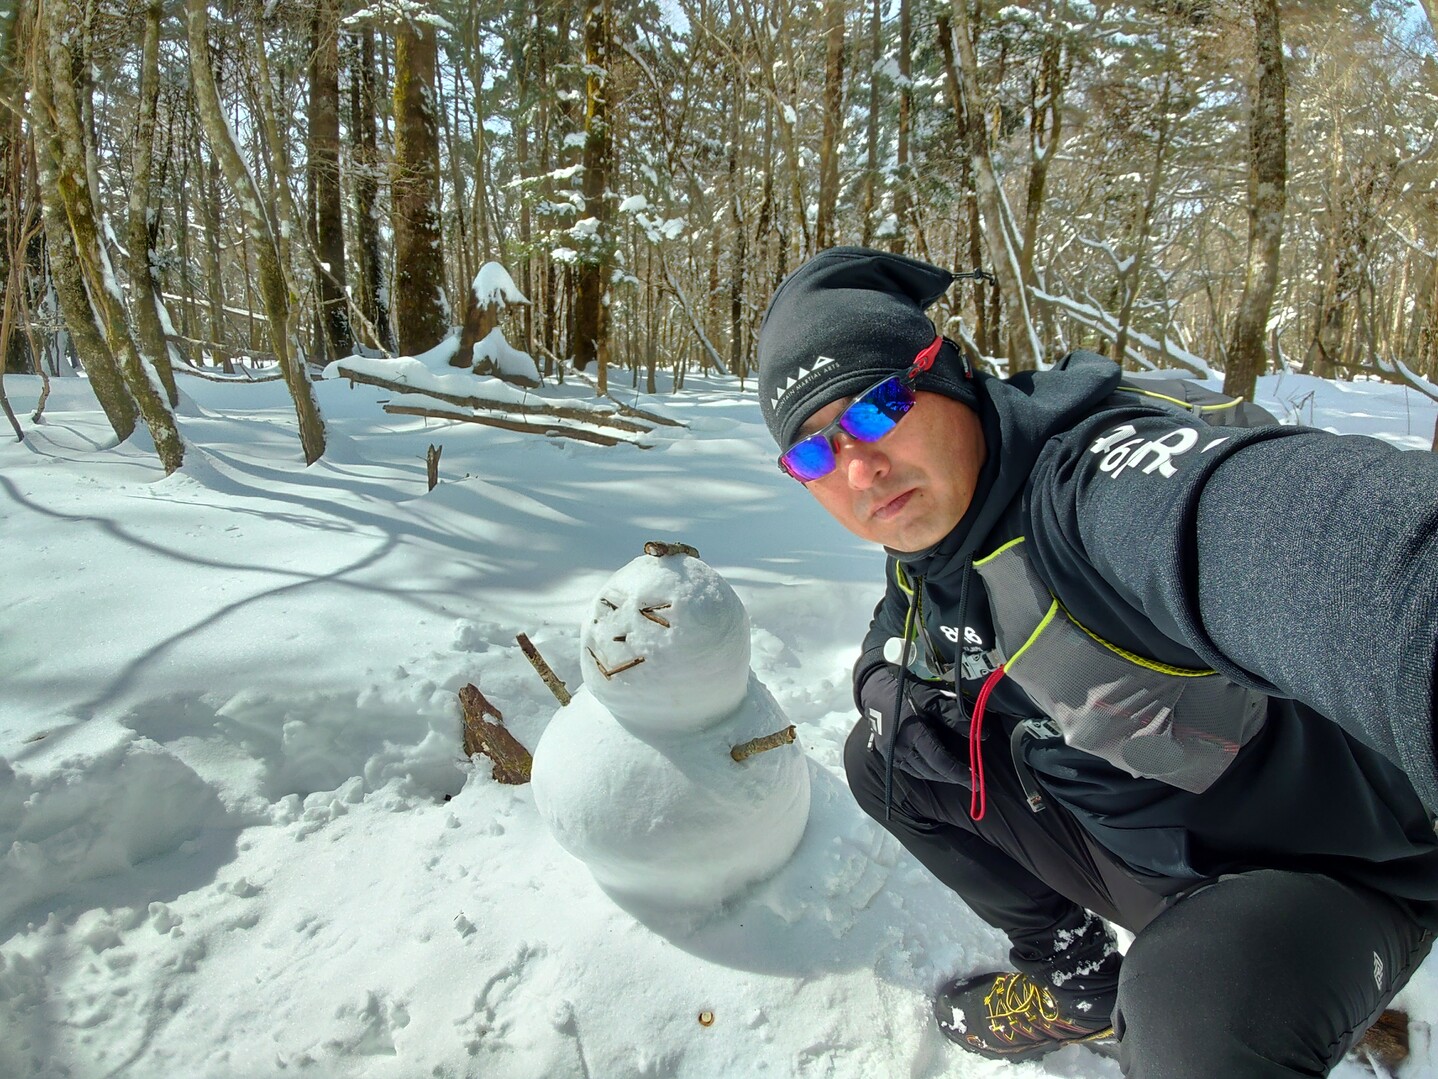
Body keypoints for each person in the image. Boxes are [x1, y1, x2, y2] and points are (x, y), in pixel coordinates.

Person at [755, 245, 1438, 1076]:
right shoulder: (931, 522)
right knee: (881, 754)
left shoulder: (1093, 489)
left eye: (874, 408)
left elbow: (1359, 559)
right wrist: (878, 682)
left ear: (952, 374)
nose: (858, 466)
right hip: (1144, 842)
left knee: (1188, 1013)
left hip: (1324, 870)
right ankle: (1075, 983)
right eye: (814, 454)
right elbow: (898, 610)